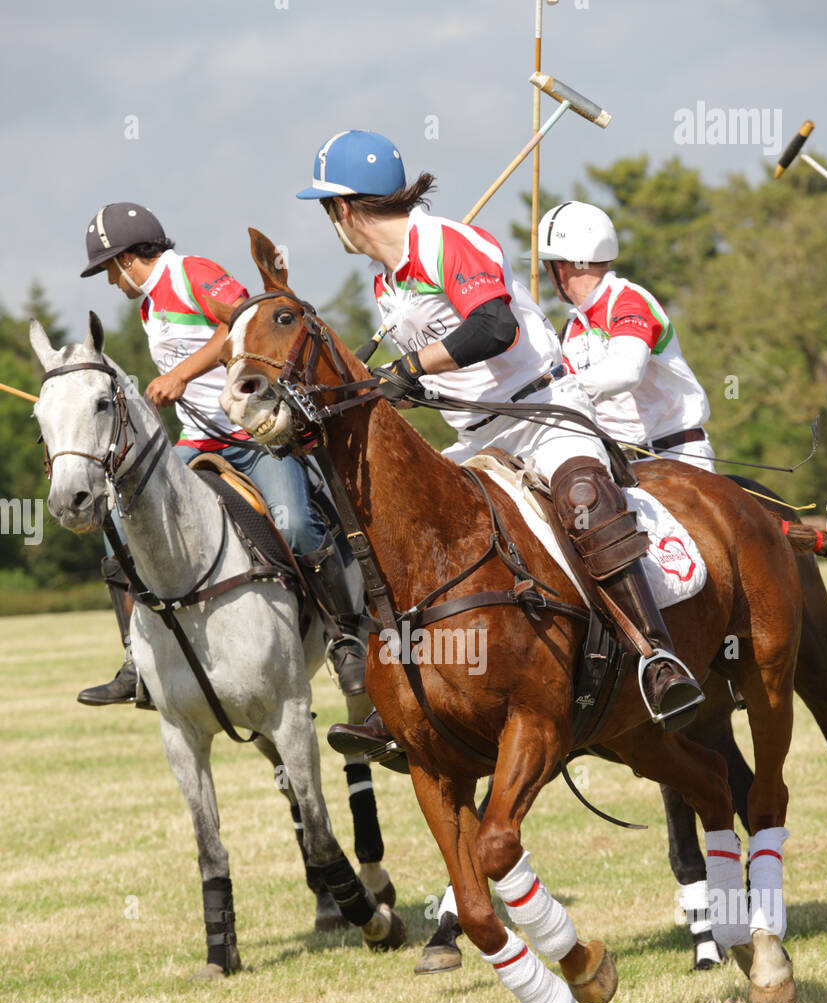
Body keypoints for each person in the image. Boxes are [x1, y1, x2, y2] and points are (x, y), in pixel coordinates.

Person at [294, 131, 703, 760]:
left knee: (585, 498)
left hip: (545, 413)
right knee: (395, 525)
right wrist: (405, 385)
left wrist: (416, 363)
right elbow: (443, 369)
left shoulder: (447, 243)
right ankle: (397, 693)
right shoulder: (386, 284)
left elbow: (494, 325)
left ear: (343, 209)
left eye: (329, 211)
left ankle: (658, 658)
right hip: (477, 435)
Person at [76, 202, 366, 704]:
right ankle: (136, 662)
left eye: (108, 270)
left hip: (257, 442)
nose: (111, 284)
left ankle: (345, 639)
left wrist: (181, 373)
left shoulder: (191, 273)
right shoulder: (149, 305)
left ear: (126, 258)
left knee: (295, 525)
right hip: (197, 443)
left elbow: (243, 321)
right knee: (123, 522)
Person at [539, 201, 716, 471]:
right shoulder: (572, 328)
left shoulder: (628, 301)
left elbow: (626, 371)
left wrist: (556, 392)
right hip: (619, 465)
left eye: (546, 264)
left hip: (677, 459)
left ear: (560, 267)